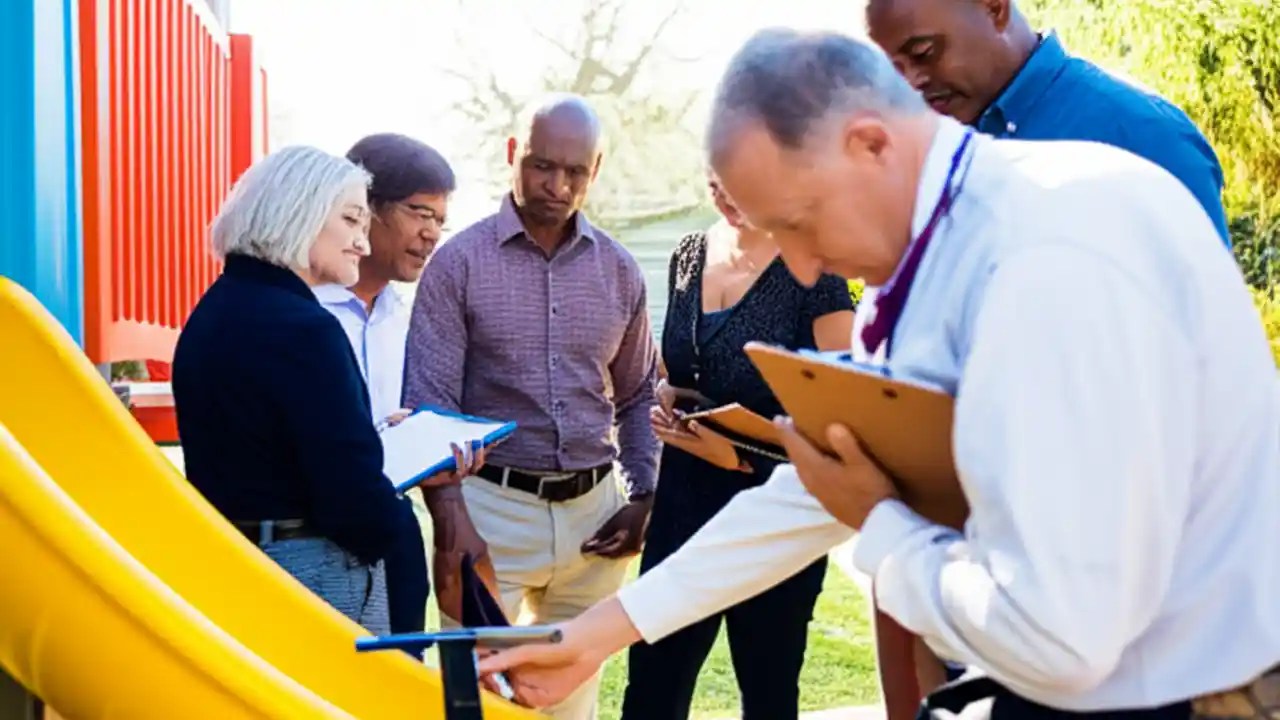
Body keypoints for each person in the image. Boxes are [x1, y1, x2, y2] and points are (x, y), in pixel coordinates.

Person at [478, 29, 1280, 720]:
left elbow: (1059, 636)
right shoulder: (938, 256)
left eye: (797, 223)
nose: (800, 262)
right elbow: (813, 486)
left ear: (868, 143)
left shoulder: (1047, 255)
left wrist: (885, 530)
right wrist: (597, 633)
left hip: (1197, 692)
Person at [402, 93, 659, 720]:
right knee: (476, 698)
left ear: (594, 172)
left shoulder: (621, 272)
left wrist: (645, 496)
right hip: (491, 511)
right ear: (515, 154)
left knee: (569, 703)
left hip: (596, 519)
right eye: (543, 165)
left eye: (575, 172)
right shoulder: (457, 265)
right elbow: (429, 408)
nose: (557, 184)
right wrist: (451, 517)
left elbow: (638, 396)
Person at [172, 146, 479, 633]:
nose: (361, 242)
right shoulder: (305, 329)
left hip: (232, 562)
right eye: (353, 220)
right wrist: (390, 523)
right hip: (314, 575)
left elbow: (269, 452)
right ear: (301, 211)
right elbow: (350, 498)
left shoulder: (215, 311)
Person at [621, 178, 854, 719]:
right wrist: (670, 394)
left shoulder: (816, 271)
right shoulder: (688, 254)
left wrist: (738, 458)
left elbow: (841, 422)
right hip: (682, 504)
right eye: (714, 183)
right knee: (652, 688)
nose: (726, 197)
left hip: (775, 506)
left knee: (767, 691)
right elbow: (682, 363)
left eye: (741, 181)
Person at [864, 0, 1231, 246]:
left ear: (994, 8)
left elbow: (1209, 332)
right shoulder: (931, 150)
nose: (911, 83)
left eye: (924, 54)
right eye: (895, 69)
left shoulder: (1142, 135)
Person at [314, 133, 456, 640]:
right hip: (317, 543)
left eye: (441, 221)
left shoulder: (405, 317)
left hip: (393, 528)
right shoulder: (303, 312)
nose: (431, 234)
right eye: (420, 213)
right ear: (366, 208)